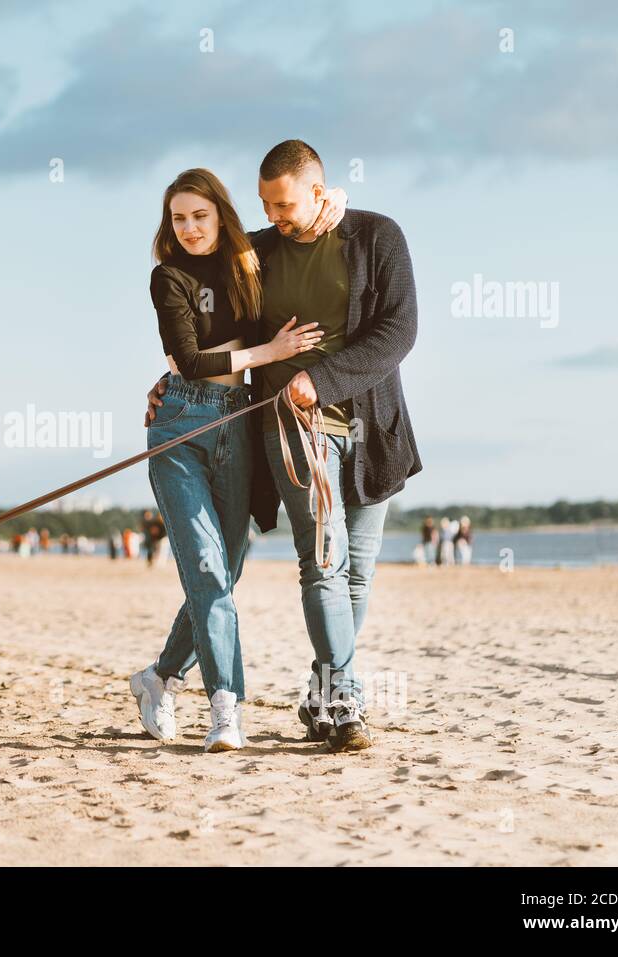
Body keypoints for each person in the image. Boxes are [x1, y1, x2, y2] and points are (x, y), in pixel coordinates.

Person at [145, 140, 421, 753]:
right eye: (265, 205)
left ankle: (324, 694)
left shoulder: (377, 237)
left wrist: (320, 378)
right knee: (323, 559)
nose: (274, 217)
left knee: (358, 575)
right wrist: (175, 378)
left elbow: (399, 331)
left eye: (285, 204)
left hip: (373, 431)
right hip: (293, 430)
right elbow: (214, 328)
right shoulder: (259, 253)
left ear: (321, 192)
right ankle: (346, 699)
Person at [129, 166, 345, 753]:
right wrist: (267, 352)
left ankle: (158, 678)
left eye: (201, 215)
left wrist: (339, 198)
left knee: (226, 574)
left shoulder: (250, 260)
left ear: (221, 215)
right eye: (179, 218)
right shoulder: (167, 276)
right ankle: (227, 711)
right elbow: (191, 362)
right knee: (204, 568)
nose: (191, 228)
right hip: (179, 423)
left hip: (240, 423)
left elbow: (302, 219)